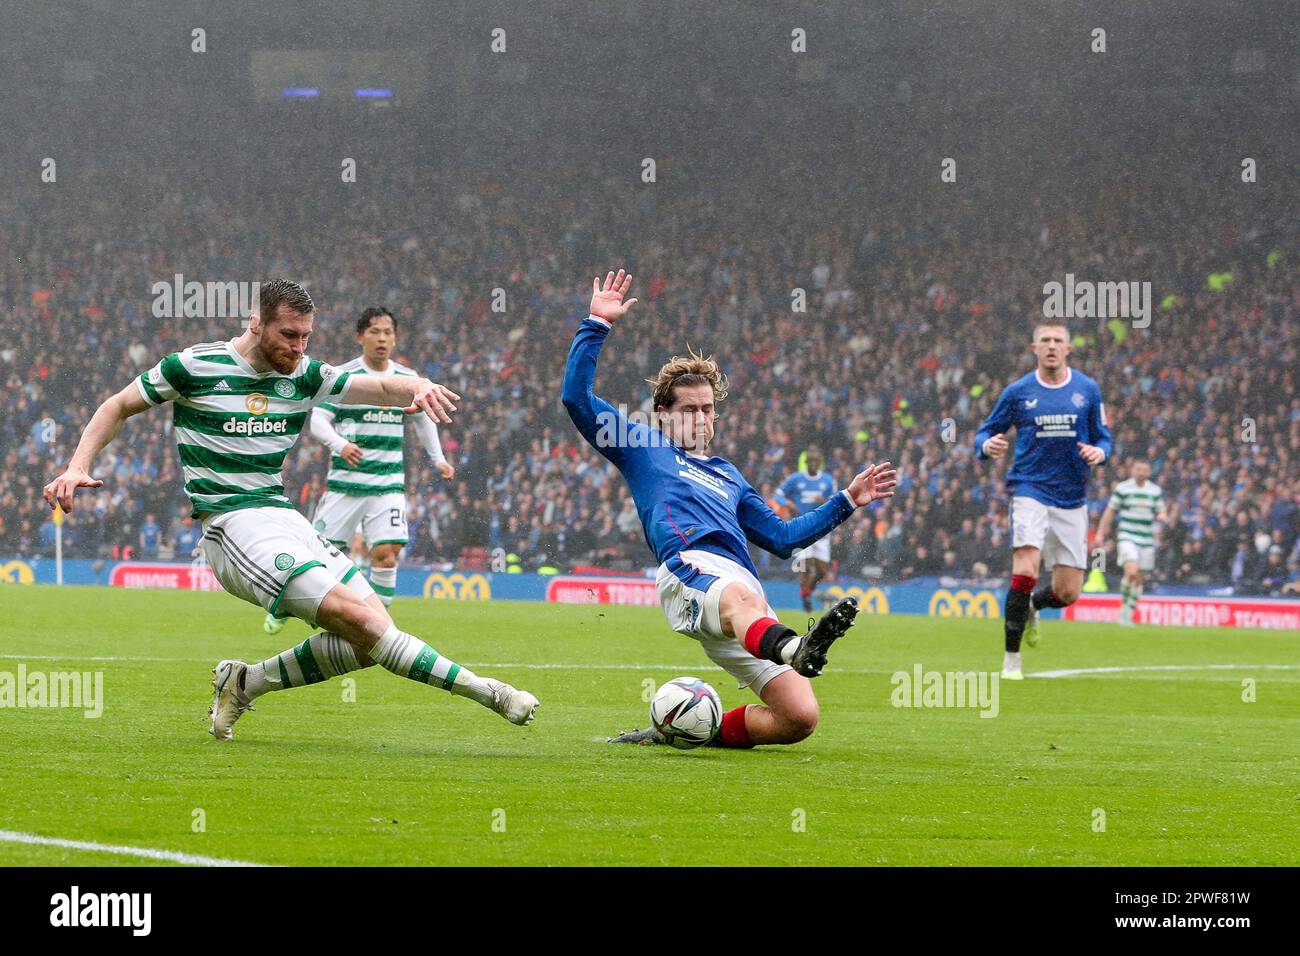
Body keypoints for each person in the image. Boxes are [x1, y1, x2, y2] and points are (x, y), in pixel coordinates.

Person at [43, 278, 537, 741]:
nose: (298, 348)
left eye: (305, 337)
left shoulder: (303, 374)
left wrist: (418, 386)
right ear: (254, 323)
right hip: (231, 525)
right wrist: (75, 466)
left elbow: (382, 388)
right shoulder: (193, 366)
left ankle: (246, 681)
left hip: (285, 518)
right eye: (288, 335)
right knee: (367, 625)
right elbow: (117, 405)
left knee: (369, 641)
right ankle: (486, 691)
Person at [563, 269, 896, 748]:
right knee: (743, 598)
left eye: (706, 410)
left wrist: (846, 500)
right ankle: (796, 647)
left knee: (799, 719)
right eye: (689, 410)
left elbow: (782, 539)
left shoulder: (729, 476)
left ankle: (679, 730)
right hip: (691, 572)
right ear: (663, 414)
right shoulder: (641, 444)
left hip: (746, 601)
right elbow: (576, 397)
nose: (700, 419)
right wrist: (597, 323)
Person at [260, 306, 454, 633]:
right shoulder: (343, 376)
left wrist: (438, 458)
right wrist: (341, 444)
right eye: (375, 331)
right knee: (320, 559)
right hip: (344, 487)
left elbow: (422, 418)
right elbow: (319, 421)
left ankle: (379, 628)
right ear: (360, 336)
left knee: (387, 553)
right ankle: (286, 607)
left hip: (387, 485)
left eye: (388, 332)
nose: (382, 338)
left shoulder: (407, 380)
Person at [974, 321, 1112, 679]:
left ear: (1068, 349)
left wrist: (1100, 452)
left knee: (1068, 594)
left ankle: (1034, 605)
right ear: (1034, 348)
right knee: (1025, 570)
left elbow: (1104, 438)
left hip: (1071, 497)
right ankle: (1011, 661)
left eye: (1058, 341)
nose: (1052, 346)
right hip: (1029, 489)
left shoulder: (1087, 390)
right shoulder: (1018, 392)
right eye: (1045, 341)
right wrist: (986, 446)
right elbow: (986, 432)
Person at [1095, 458, 1165, 626]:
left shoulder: (1155, 491)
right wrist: (1100, 533)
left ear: (1149, 472)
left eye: (1144, 469)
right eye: (1138, 469)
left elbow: (1161, 511)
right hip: (1127, 536)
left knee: (1139, 578)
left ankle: (1128, 612)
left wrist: (1162, 517)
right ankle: (1124, 611)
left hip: (1146, 539)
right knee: (1131, 572)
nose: (1141, 472)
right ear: (1133, 470)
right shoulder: (1123, 488)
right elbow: (1110, 511)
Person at [774, 448, 837, 611]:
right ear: (807, 463)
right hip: (801, 527)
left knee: (822, 571)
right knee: (806, 566)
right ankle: (806, 600)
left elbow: (835, 501)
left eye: (817, 462)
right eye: (811, 462)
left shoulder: (828, 480)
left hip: (822, 529)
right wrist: (788, 503)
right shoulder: (795, 479)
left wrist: (823, 501)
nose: (814, 464)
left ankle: (807, 593)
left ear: (820, 463)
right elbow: (778, 495)